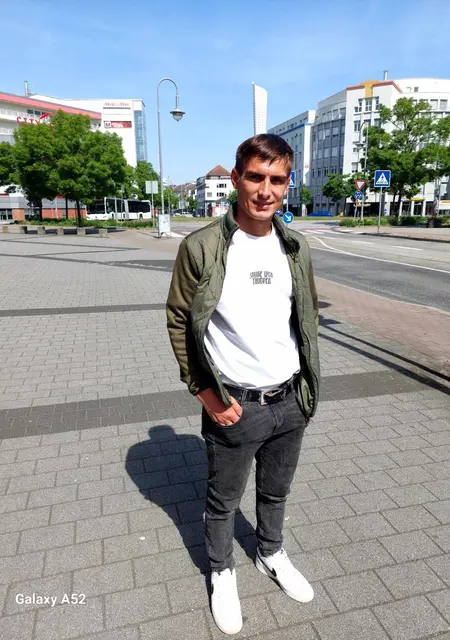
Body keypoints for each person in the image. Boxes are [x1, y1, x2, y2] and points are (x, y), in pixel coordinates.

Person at [166, 134, 320, 635]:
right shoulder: (202, 247)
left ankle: (270, 553)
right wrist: (207, 394)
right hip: (234, 403)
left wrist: (307, 389)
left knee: (276, 492)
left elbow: (307, 318)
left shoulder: (295, 246)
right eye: (255, 177)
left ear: (288, 184)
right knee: (223, 502)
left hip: (290, 400)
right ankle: (221, 571)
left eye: (277, 179)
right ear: (236, 179)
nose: (265, 190)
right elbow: (178, 321)